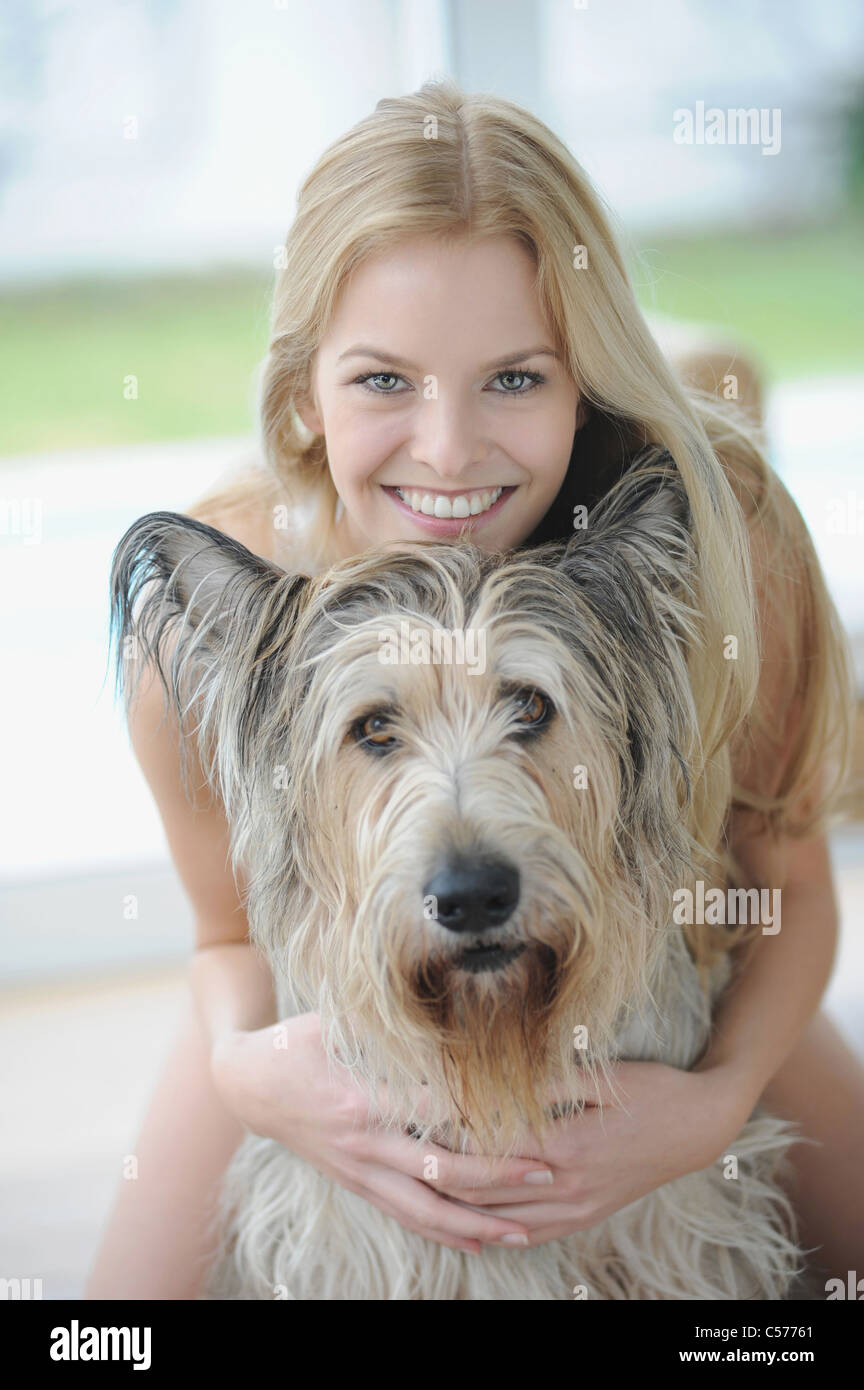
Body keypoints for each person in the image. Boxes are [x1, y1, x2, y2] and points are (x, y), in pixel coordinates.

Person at [86, 79, 864, 1298]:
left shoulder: (719, 539)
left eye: (514, 377)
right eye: (383, 380)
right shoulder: (217, 617)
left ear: (587, 378)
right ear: (304, 394)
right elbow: (230, 932)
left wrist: (708, 1106)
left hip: (677, 936)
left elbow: (790, 887)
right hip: (315, 969)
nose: (447, 452)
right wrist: (252, 1076)